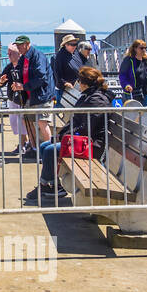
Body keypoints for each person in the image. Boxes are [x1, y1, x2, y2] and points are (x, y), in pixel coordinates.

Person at [35, 66, 114, 198]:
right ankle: (54, 186)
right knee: (45, 146)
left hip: (91, 145)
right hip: (83, 141)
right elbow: (75, 121)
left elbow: (86, 128)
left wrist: (65, 137)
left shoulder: (97, 100)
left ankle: (44, 185)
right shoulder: (88, 96)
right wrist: (61, 135)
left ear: (84, 83)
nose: (77, 84)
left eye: (79, 81)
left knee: (50, 151)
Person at [14, 34, 55, 147]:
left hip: (42, 95)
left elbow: (41, 77)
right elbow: (18, 72)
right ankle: (34, 148)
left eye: (20, 45)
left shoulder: (38, 56)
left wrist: (23, 86)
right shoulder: (23, 58)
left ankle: (49, 151)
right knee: (26, 121)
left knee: (42, 122)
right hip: (30, 96)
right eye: (17, 46)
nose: (18, 48)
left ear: (28, 44)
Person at [0, 42, 31, 154]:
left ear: (18, 54)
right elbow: (0, 83)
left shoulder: (24, 65)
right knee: (14, 122)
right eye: (8, 54)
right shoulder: (9, 67)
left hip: (23, 98)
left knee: (22, 121)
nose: (9, 56)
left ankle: (22, 144)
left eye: (11, 54)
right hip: (12, 98)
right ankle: (24, 141)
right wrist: (1, 81)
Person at [117, 38, 147, 105]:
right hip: (133, 93)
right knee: (135, 114)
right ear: (135, 49)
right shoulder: (128, 60)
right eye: (141, 48)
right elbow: (122, 75)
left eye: (145, 48)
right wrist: (126, 85)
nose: (144, 50)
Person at [53, 34, 84, 103]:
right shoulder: (60, 56)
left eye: (75, 44)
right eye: (72, 44)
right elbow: (57, 74)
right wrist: (65, 83)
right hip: (65, 90)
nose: (74, 46)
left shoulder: (76, 53)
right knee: (64, 110)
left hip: (78, 87)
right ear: (65, 45)